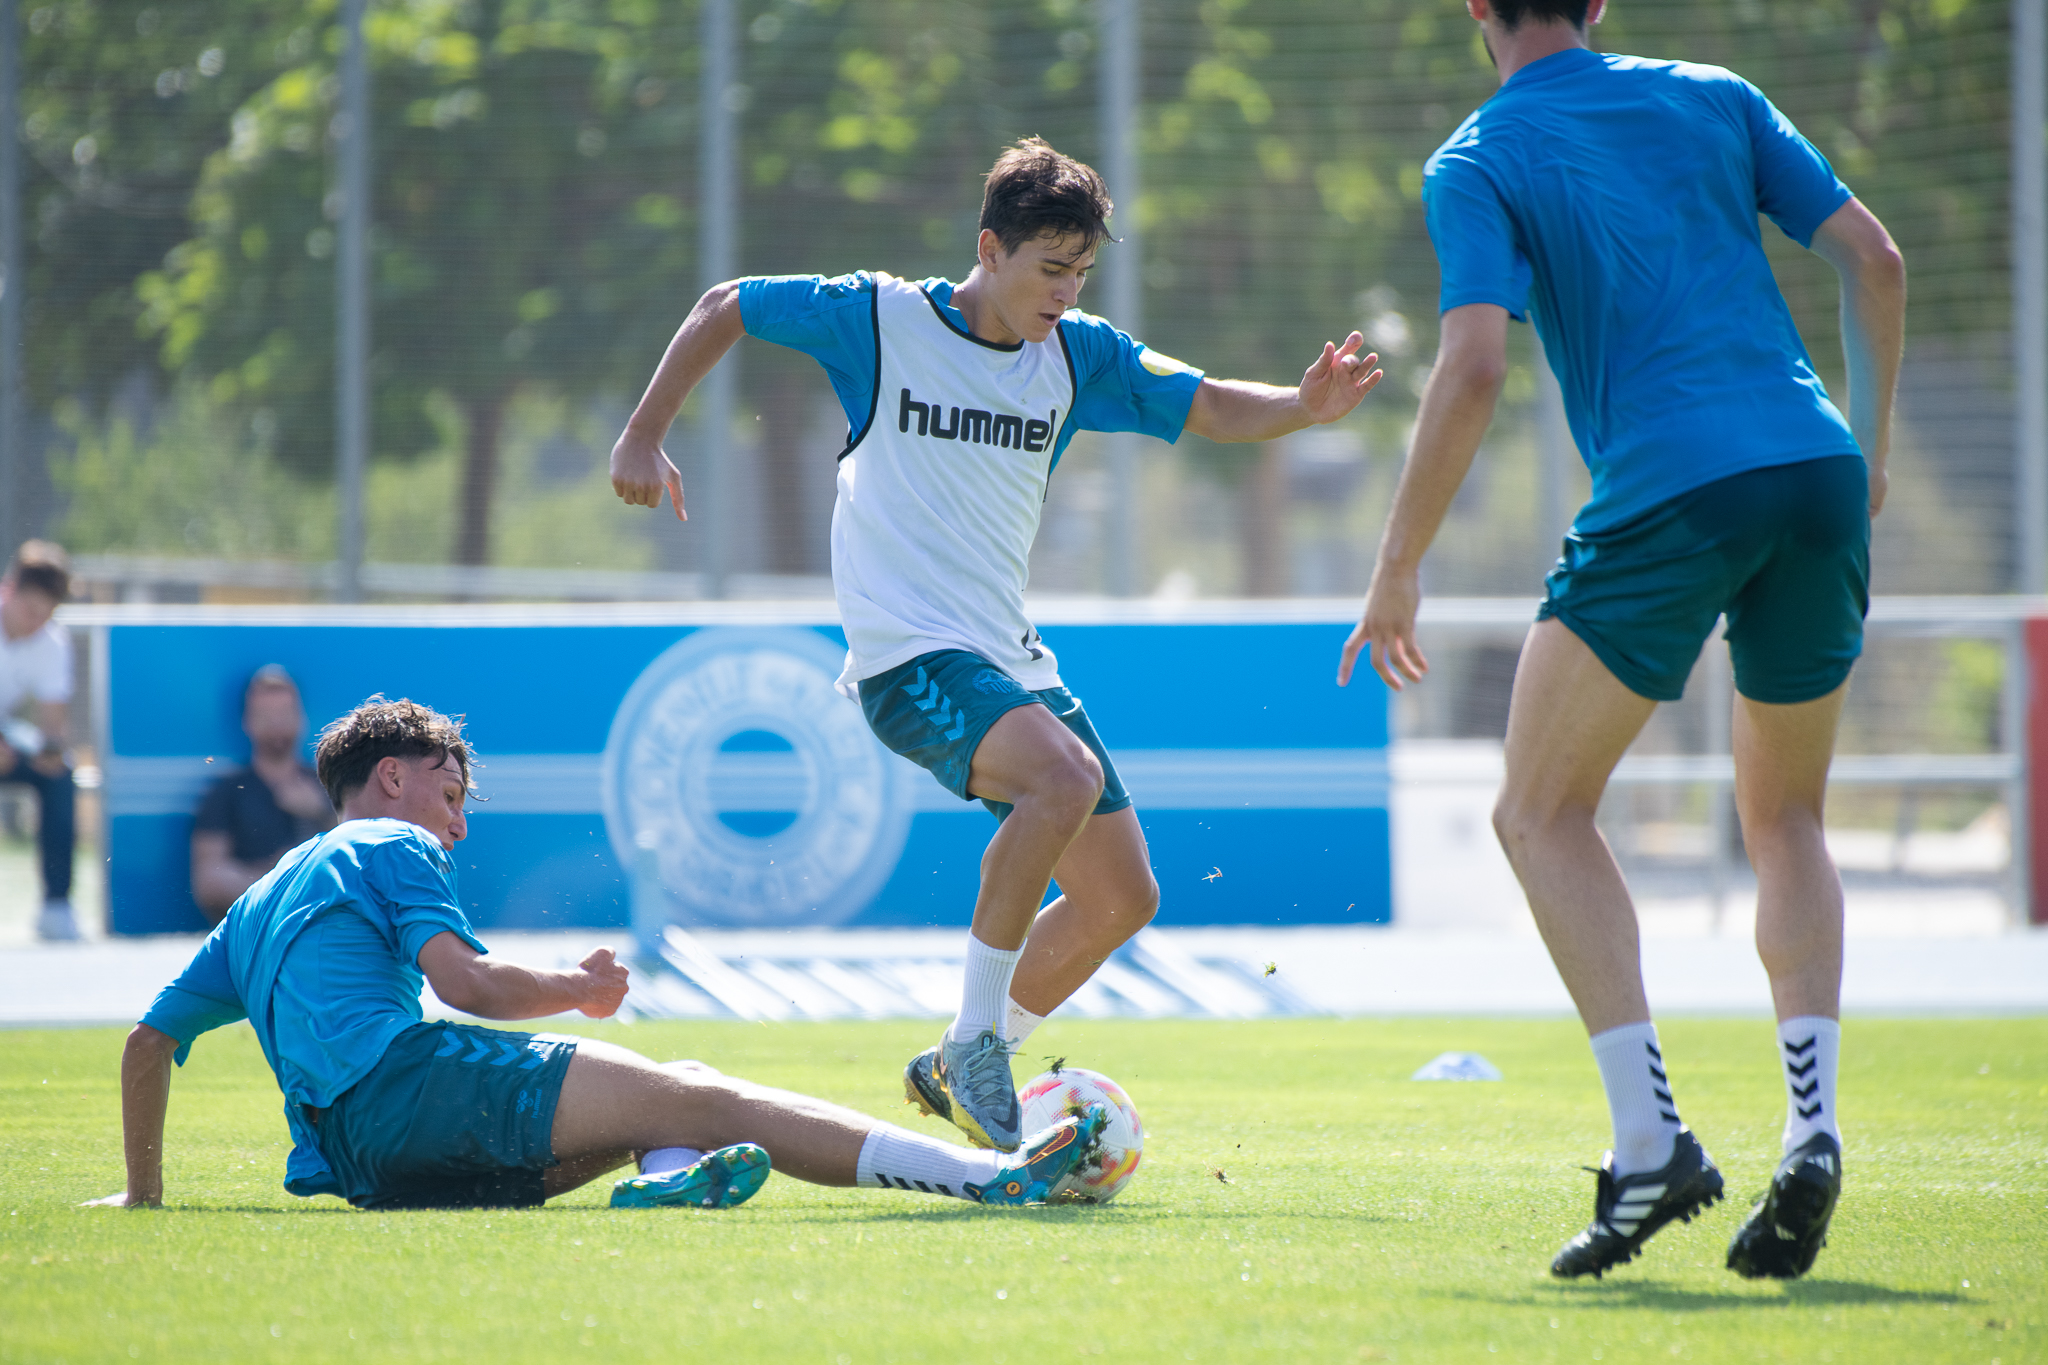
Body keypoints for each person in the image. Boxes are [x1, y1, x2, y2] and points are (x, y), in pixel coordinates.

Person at [609, 137, 1383, 1155]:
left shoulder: (1077, 356)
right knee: (1057, 784)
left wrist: (1300, 407)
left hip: (1009, 659)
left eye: (1079, 272)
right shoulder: (881, 319)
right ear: (989, 247)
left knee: (1121, 895)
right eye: (1048, 269)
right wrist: (642, 432)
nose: (1064, 292)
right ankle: (979, 1043)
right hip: (907, 660)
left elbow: (1200, 401)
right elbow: (725, 306)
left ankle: (959, 1059)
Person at [1337, 0, 1904, 1281]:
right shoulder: (1715, 92)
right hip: (1814, 469)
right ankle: (1809, 1131)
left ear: (1473, 8)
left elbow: (1472, 366)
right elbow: (1873, 260)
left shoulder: (1475, 158)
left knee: (1536, 812)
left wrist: (1395, 564)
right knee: (1788, 820)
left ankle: (1650, 1142)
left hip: (1670, 489)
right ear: (1598, 2)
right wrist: (1863, 451)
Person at [89, 697, 1103, 1214]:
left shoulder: (263, 894)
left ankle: (660, 1181)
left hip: (357, 1162)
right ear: (390, 780)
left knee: (656, 1111)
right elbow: (467, 985)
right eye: (451, 795)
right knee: (705, 1095)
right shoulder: (385, 841)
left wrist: (144, 1195)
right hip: (409, 1091)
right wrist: (574, 991)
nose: (457, 828)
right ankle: (984, 1176)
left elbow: (146, 1042)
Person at [191, 665, 337, 922]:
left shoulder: (330, 784)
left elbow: (364, 855)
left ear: (301, 719)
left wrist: (321, 813)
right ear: (248, 722)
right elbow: (209, 882)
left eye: (285, 713)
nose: (277, 724)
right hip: (255, 925)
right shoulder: (227, 791)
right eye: (267, 715)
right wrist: (280, 877)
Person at [0, 541, 80, 941]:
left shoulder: (52, 642)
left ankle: (56, 905)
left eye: (45, 614)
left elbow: (52, 726)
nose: (36, 623)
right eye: (30, 610)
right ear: (9, 588)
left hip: (6, 735)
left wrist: (51, 752)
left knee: (61, 773)